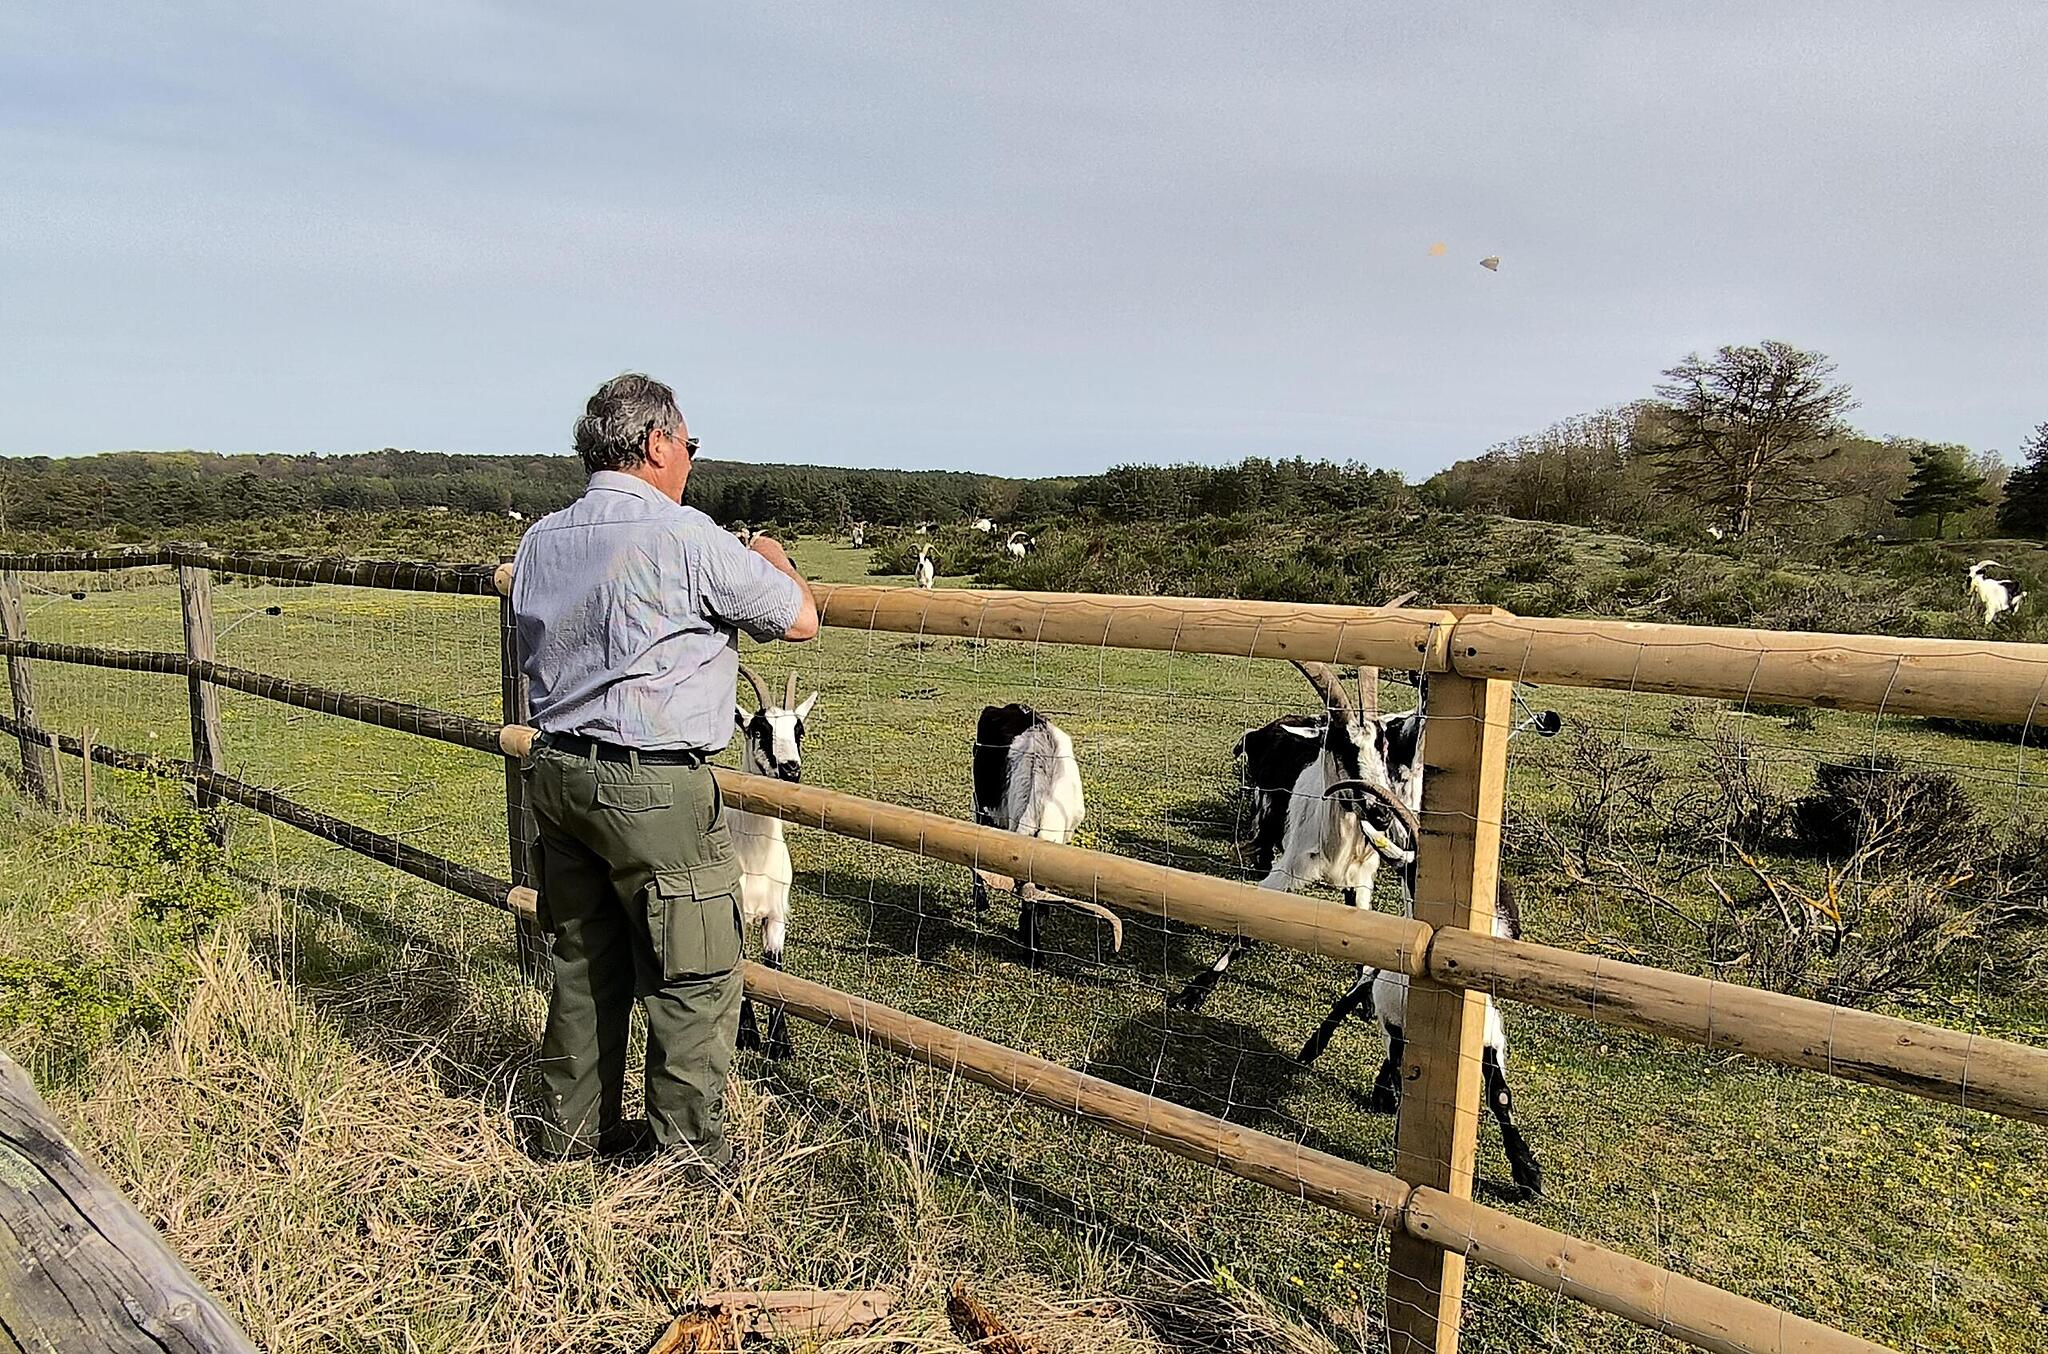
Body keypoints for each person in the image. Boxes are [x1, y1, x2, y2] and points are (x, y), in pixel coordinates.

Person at [511, 372, 818, 1166]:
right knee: (694, 972)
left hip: (557, 772)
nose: (691, 460)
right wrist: (771, 553)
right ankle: (685, 1163)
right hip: (655, 787)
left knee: (583, 959)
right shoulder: (686, 537)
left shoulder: (541, 539)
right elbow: (800, 619)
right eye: (690, 445)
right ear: (655, 443)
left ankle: (568, 1137)